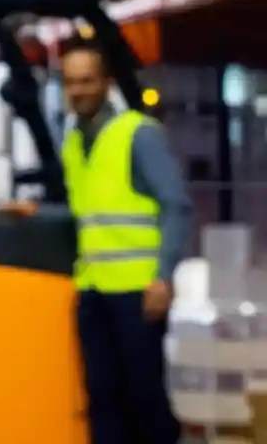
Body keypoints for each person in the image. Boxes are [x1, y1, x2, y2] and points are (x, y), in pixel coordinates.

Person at [60, 37, 189, 444]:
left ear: (106, 82)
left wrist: (163, 276)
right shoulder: (74, 142)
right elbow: (87, 211)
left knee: (144, 400)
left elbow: (176, 205)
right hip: (94, 290)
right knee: (102, 400)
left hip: (138, 292)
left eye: (86, 81)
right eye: (70, 82)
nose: (78, 91)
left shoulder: (137, 134)